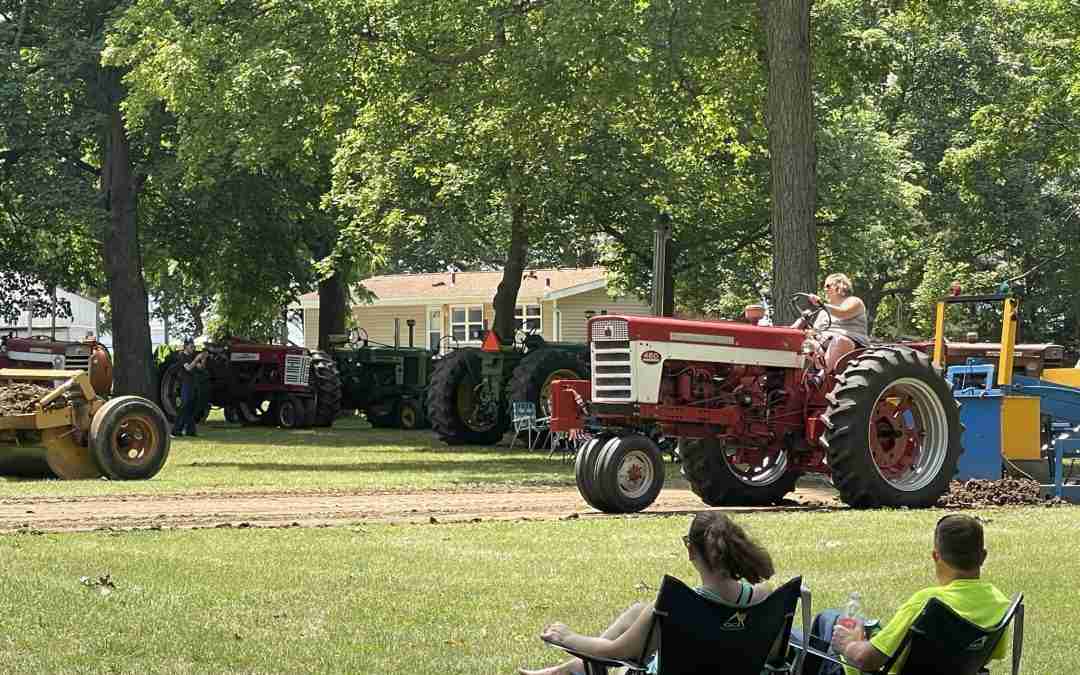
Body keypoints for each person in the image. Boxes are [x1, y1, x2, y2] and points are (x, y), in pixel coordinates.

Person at [518, 512, 776, 675]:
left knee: (642, 618)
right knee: (638, 611)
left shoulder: (677, 606)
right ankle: (571, 670)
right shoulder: (765, 597)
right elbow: (774, 655)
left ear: (690, 551)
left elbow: (614, 652)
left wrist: (567, 637)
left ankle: (574, 669)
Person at [796, 514, 1011, 675]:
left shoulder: (928, 603)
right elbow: (992, 653)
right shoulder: (999, 602)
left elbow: (867, 660)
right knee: (829, 617)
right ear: (983, 556)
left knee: (822, 628)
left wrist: (849, 644)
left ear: (935, 556)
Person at [794, 273, 870, 372]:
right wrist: (805, 332)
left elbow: (843, 313)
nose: (825, 289)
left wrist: (821, 304)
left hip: (851, 343)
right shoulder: (823, 311)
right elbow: (816, 331)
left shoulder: (854, 301)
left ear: (840, 286)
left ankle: (822, 377)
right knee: (801, 343)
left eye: (828, 286)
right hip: (824, 343)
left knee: (840, 341)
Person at [173, 337, 208, 438]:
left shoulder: (193, 356)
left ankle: (190, 431)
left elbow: (201, 368)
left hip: (193, 384)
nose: (193, 348)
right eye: (191, 346)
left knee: (192, 408)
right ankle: (176, 430)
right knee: (184, 407)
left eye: (193, 346)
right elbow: (188, 368)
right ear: (186, 346)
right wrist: (197, 359)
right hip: (185, 384)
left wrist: (203, 359)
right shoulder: (181, 355)